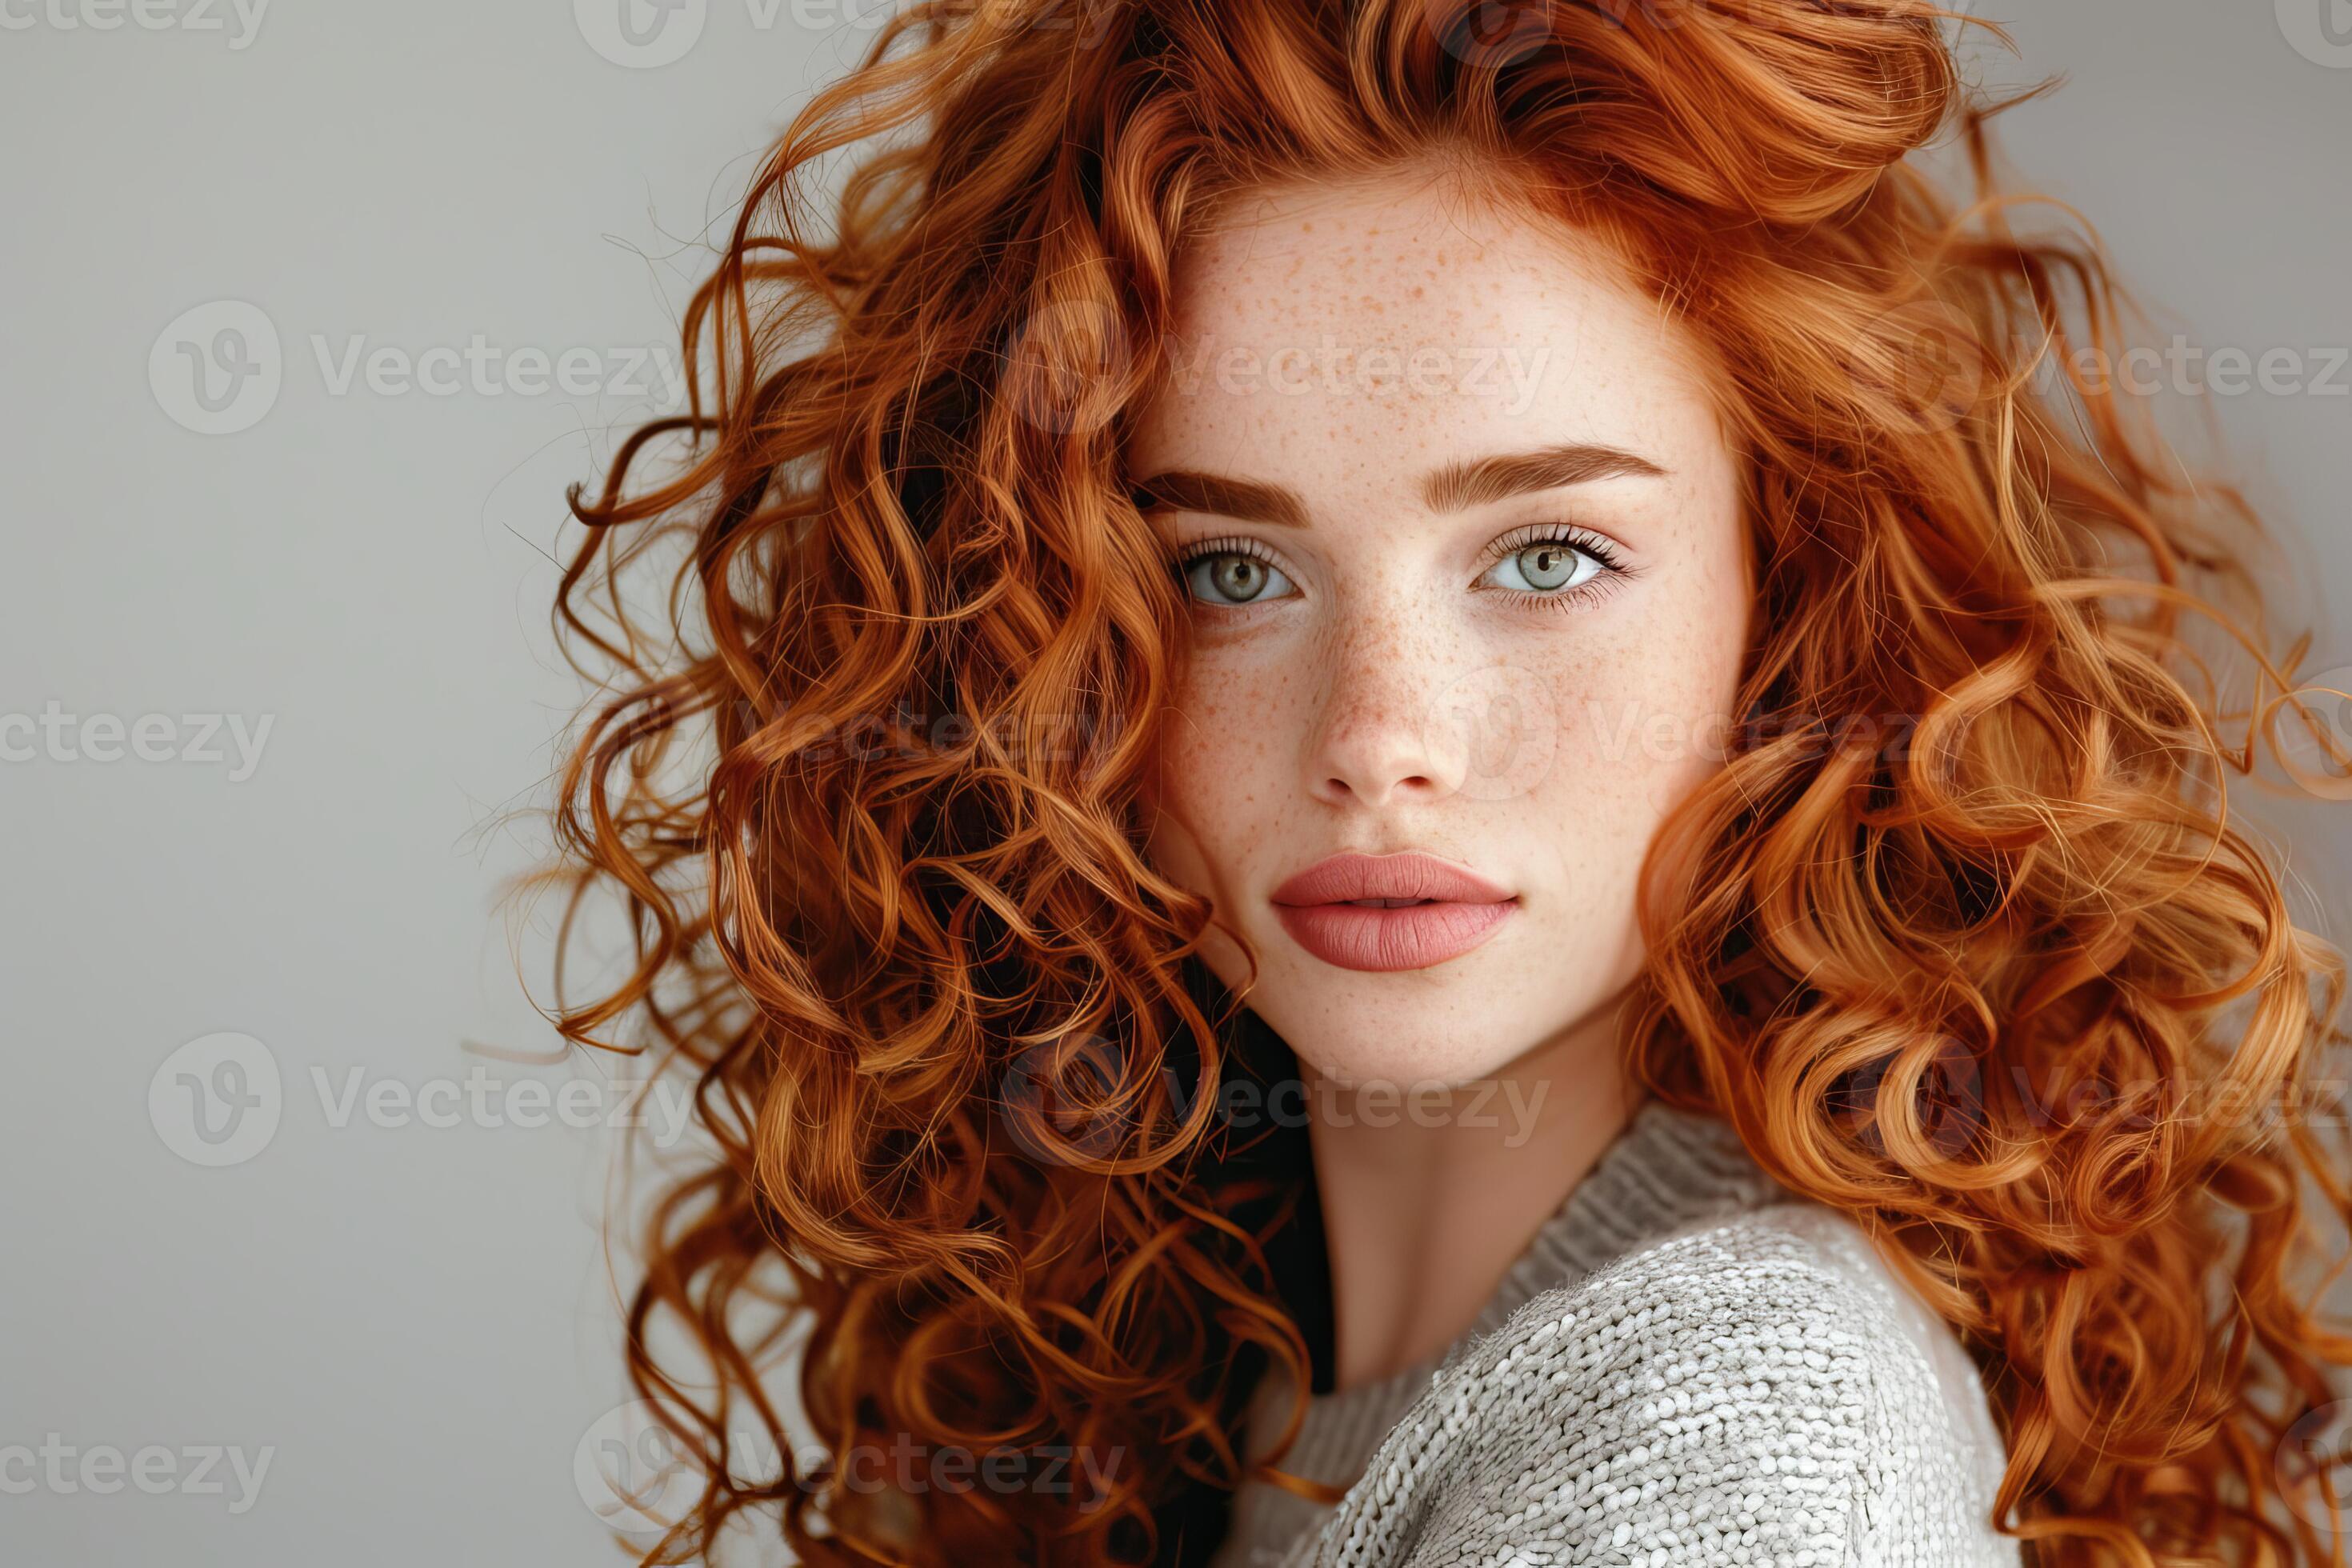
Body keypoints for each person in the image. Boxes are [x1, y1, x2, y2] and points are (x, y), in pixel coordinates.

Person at [541, 1, 2352, 1563]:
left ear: (1785, 600)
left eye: (1548, 557)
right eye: (1227, 572)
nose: (1377, 733)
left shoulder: (1725, 1446)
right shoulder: (1225, 1344)